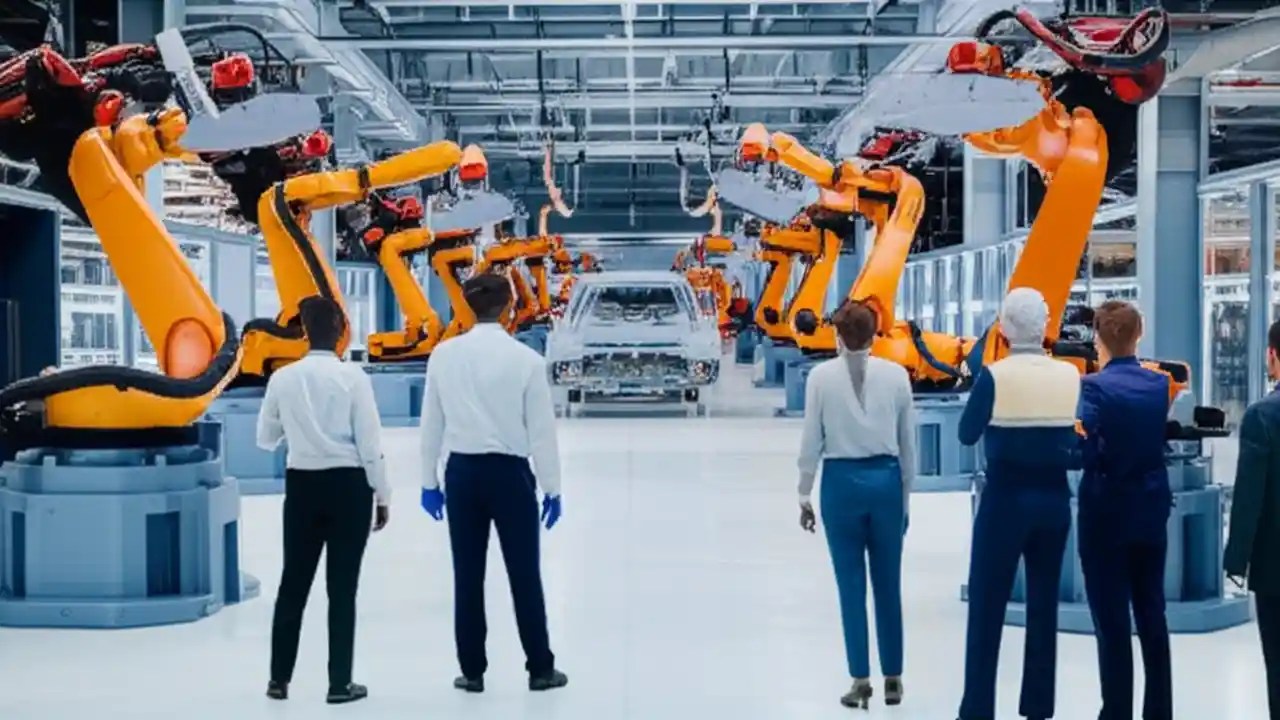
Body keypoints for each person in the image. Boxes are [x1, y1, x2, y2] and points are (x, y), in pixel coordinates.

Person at [419, 272, 568, 693]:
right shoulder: (526, 361)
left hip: (462, 474)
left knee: (467, 575)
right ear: (508, 306)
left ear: (467, 305)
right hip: (510, 476)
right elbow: (541, 433)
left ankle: (472, 671)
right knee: (524, 573)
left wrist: (429, 482)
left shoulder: (443, 357)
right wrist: (552, 488)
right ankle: (540, 669)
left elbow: (432, 424)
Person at [256, 295, 391, 705]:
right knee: (342, 589)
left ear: (304, 332)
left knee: (293, 583)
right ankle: (339, 684)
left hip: (302, 485)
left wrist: (299, 427)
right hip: (350, 486)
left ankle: (278, 680)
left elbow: (265, 439)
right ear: (340, 332)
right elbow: (370, 444)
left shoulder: (283, 379)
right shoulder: (354, 378)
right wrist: (382, 494)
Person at [956, 287, 1079, 720]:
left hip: (1005, 499)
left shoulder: (995, 377)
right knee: (1044, 606)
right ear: (1045, 327)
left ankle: (977, 708)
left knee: (987, 605)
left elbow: (967, 434)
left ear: (1005, 329)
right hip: (1054, 500)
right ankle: (1038, 707)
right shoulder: (1069, 375)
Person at [797, 300, 915, 709]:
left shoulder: (820, 378)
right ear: (875, 333)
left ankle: (860, 679)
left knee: (850, 585)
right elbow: (908, 443)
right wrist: (905, 497)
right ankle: (894, 678)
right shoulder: (897, 376)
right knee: (888, 584)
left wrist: (804, 492)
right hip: (886, 483)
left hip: (840, 485)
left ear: (837, 335)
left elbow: (811, 440)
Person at [1077, 300, 1172, 720]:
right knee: (1152, 614)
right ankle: (1159, 711)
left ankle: (1116, 711)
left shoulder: (1093, 387)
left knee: (1112, 621)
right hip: (1150, 510)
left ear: (1098, 338)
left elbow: (1086, 446)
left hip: (1105, 514)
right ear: (1139, 335)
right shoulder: (1158, 384)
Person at [1225, 318, 1280, 719]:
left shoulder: (1263, 416)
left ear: (1272, 356)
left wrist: (1236, 561)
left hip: (1274, 566)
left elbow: (1249, 497)